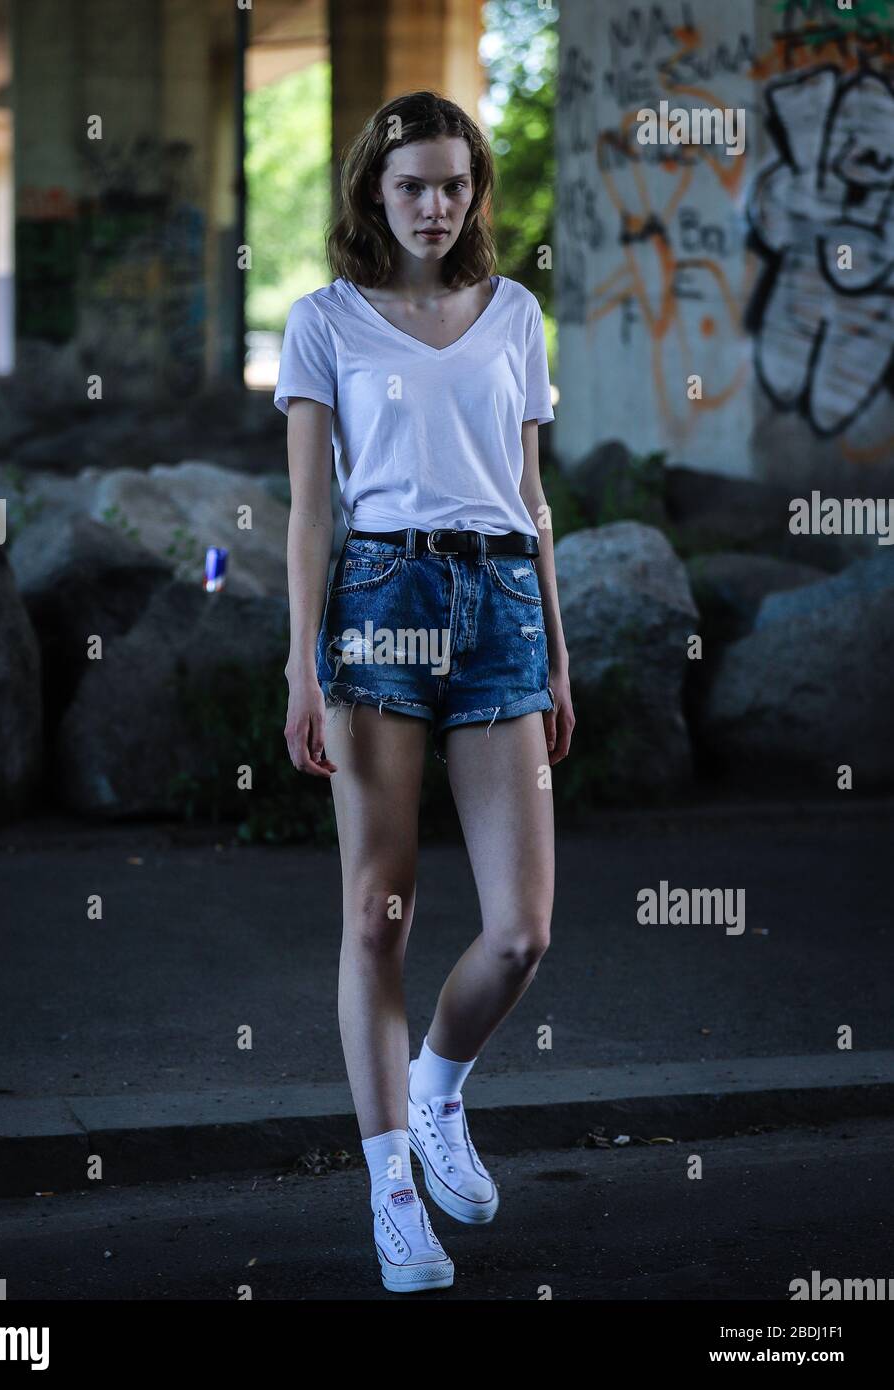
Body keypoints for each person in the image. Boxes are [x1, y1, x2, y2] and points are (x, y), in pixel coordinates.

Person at [275, 89, 575, 1294]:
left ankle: (441, 1090)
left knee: (521, 930)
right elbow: (308, 513)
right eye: (413, 186)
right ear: (372, 193)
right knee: (374, 914)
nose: (437, 204)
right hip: (381, 605)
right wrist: (300, 658)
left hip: (500, 605)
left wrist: (556, 645)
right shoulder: (325, 322)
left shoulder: (514, 316)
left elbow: (532, 494)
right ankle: (392, 1182)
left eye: (454, 184)